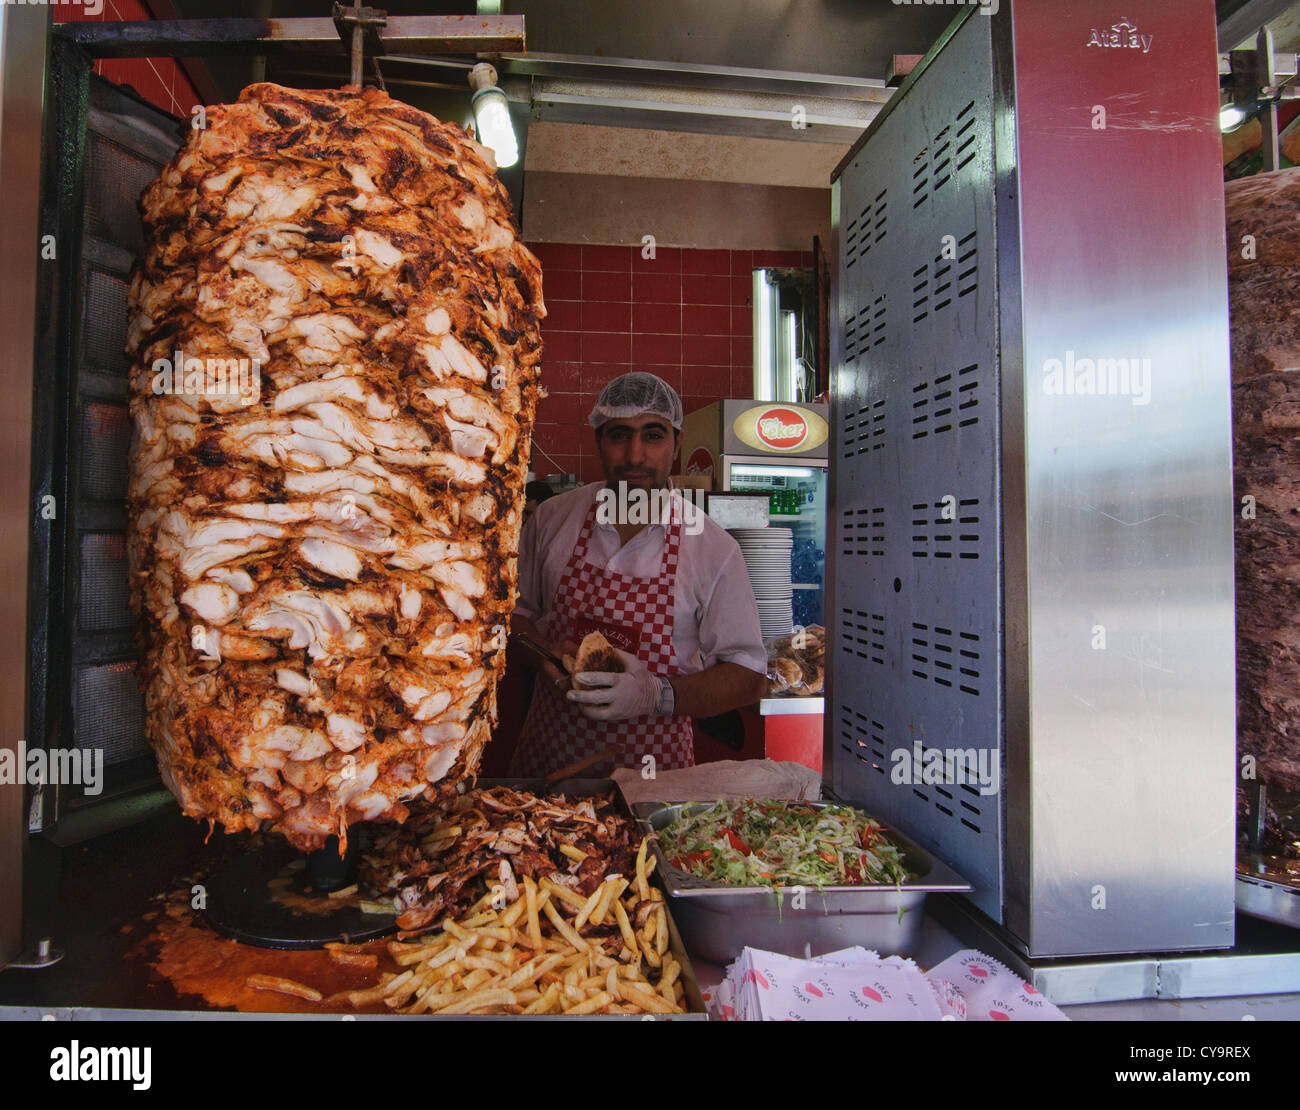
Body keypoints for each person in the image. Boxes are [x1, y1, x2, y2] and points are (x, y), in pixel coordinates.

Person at [509, 372, 767, 777]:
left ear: (677, 443)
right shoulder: (552, 520)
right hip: (549, 765)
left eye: (653, 435)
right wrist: (543, 650)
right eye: (618, 435)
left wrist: (655, 695)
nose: (634, 455)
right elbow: (508, 621)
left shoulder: (713, 549)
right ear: (598, 441)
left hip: (654, 780)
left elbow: (749, 675)